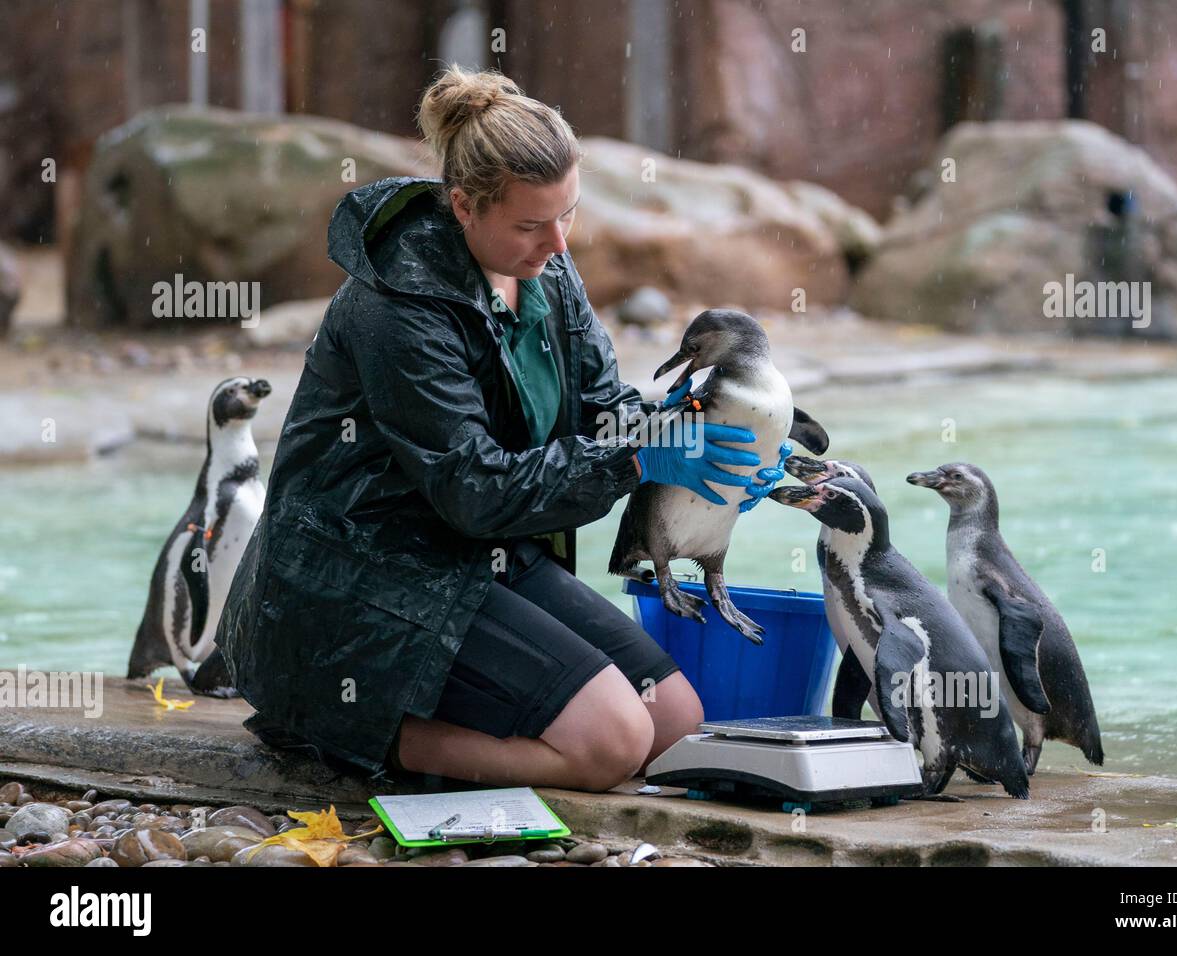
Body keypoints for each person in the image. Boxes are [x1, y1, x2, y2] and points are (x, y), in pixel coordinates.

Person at [211, 65, 788, 792]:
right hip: (364, 572)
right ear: (463, 206)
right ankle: (343, 726)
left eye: (568, 215)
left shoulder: (544, 269)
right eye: (530, 224)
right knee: (611, 745)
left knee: (672, 719)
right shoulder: (398, 305)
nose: (558, 243)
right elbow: (475, 489)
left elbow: (603, 411)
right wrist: (638, 460)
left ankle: (504, 715)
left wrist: (711, 436)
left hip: (479, 551)